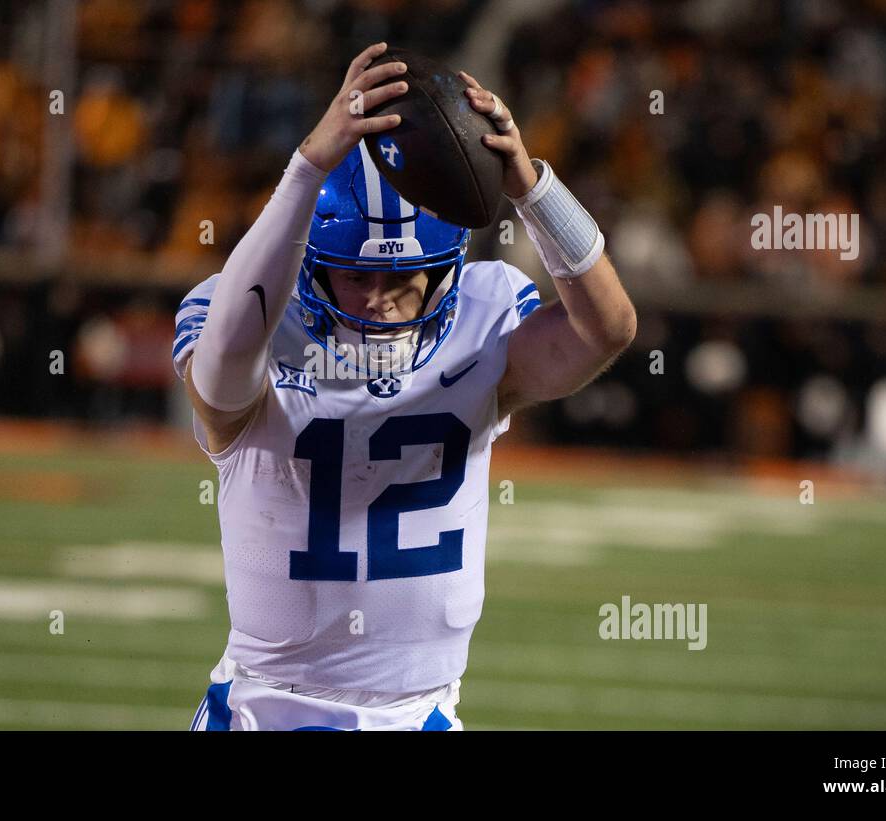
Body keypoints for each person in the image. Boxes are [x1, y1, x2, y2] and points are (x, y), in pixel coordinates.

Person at [175, 42, 636, 730]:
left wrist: (532, 187)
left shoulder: (484, 317)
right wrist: (305, 170)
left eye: (404, 278)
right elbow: (217, 379)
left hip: (421, 714)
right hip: (265, 707)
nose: (382, 299)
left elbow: (609, 330)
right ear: (312, 269)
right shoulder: (242, 319)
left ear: (444, 270)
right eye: (359, 275)